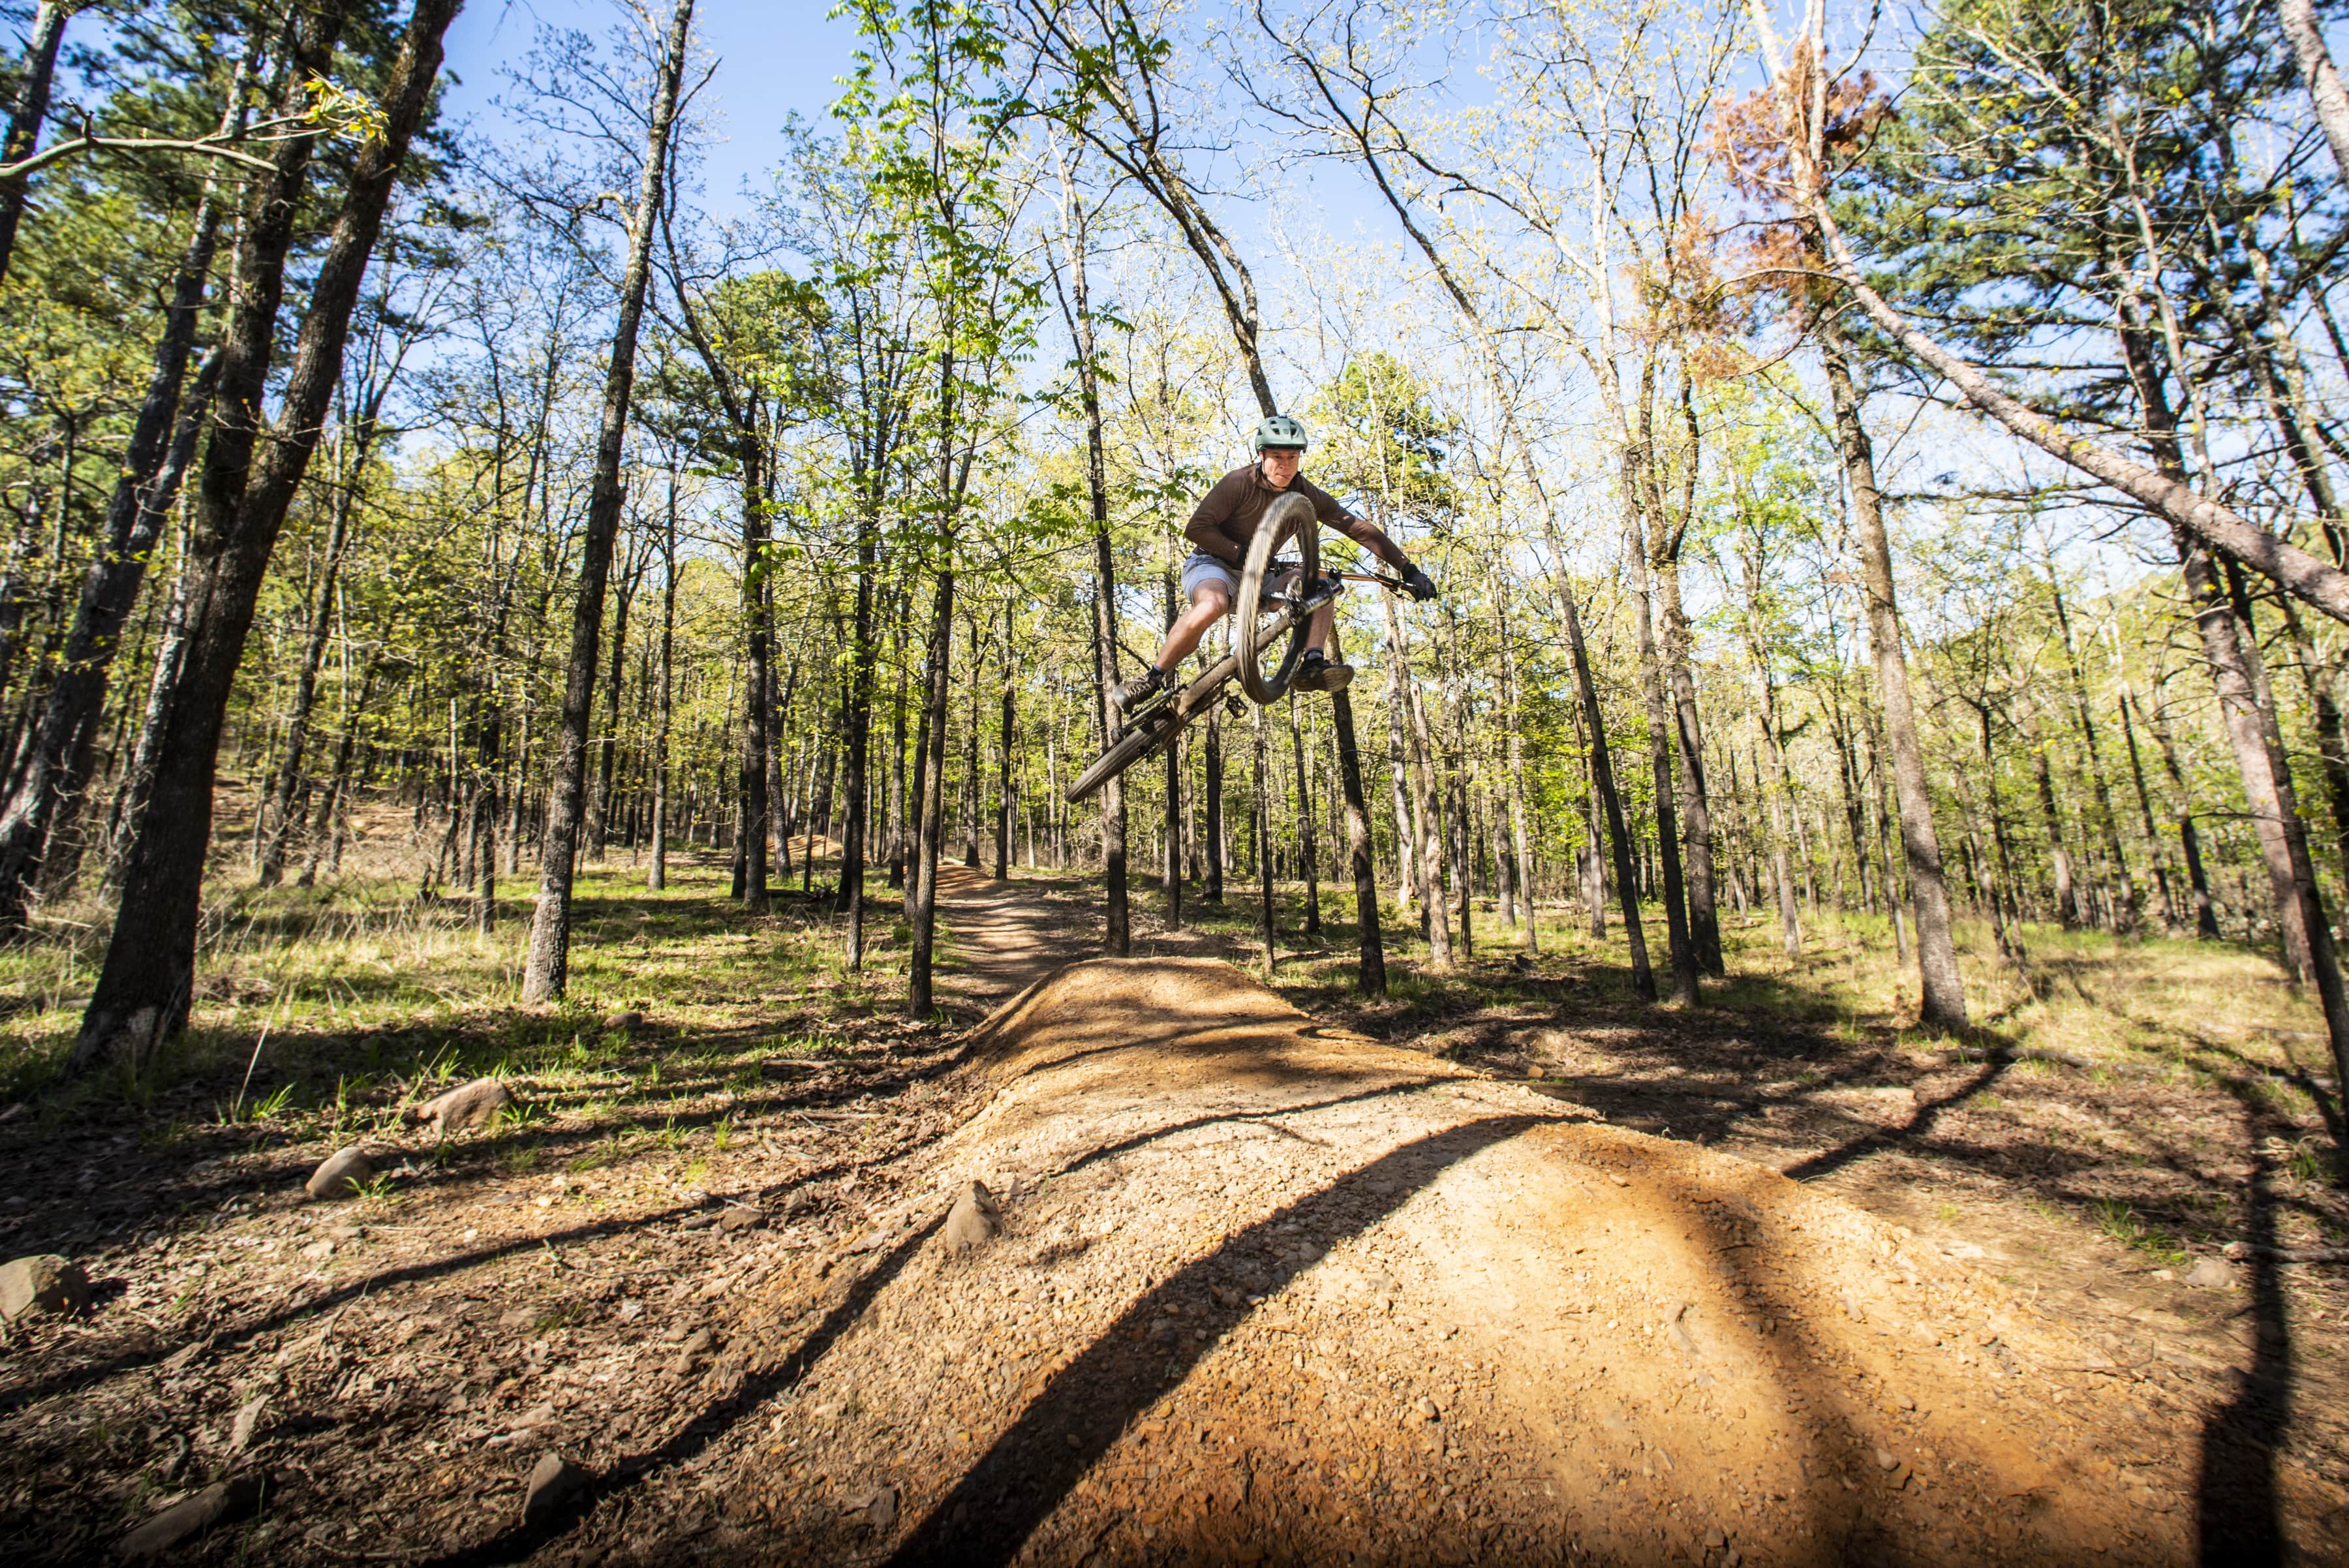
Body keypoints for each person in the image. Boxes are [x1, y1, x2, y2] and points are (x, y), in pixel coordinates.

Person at [1112, 414, 1437, 711]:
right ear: (1262, 456)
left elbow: (1357, 528)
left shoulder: (1306, 494)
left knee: (1322, 586)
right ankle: (1151, 679)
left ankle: (1312, 663)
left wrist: (1408, 569)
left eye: (1292, 457)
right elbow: (1196, 529)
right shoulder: (1238, 483)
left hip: (1261, 578)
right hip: (1213, 566)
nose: (1285, 465)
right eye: (1277, 457)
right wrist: (1244, 554)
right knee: (1213, 604)